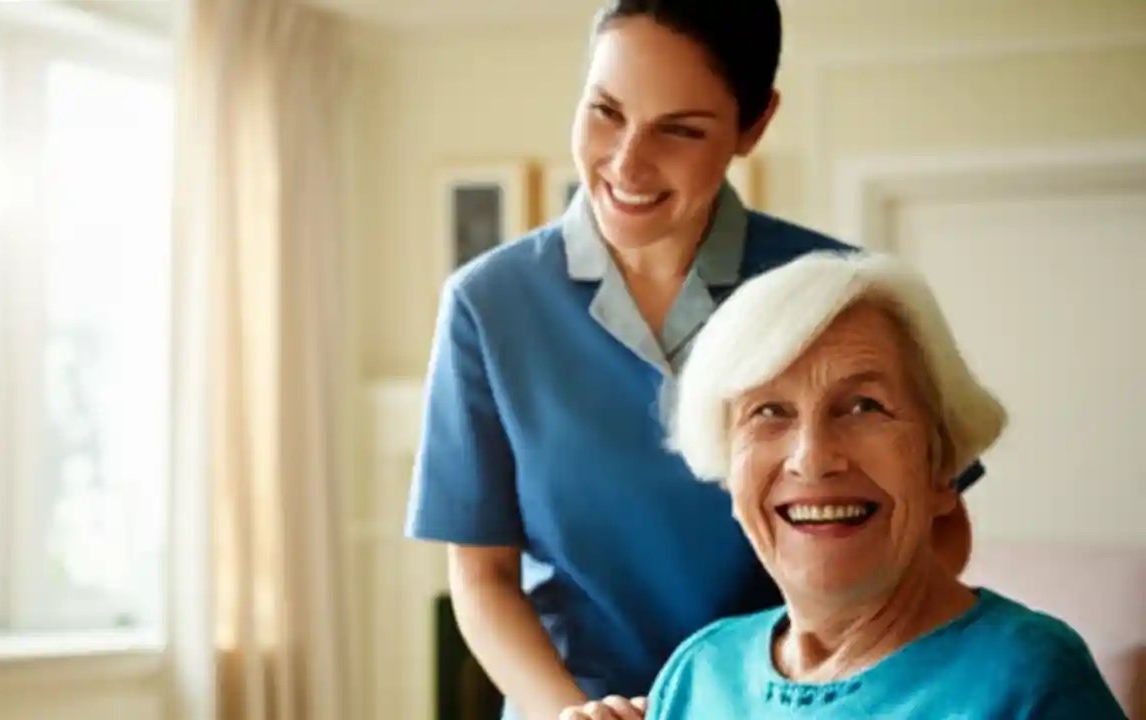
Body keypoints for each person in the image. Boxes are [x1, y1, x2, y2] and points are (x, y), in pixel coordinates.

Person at [404, 2, 985, 719]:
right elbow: (482, 579)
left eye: (679, 129)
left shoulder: (837, 291)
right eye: (606, 112)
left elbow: (938, 528)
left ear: (755, 124)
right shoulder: (488, 305)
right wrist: (573, 715)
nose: (626, 162)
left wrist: (815, 674)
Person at [571, 251, 1124, 719]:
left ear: (941, 467)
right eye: (769, 411)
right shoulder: (700, 672)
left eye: (863, 407)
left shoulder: (1029, 678)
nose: (812, 459)